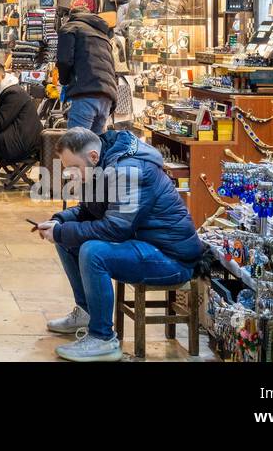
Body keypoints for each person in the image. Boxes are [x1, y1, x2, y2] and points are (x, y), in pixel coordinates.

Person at [35, 128, 206, 362]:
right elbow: (89, 212)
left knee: (92, 251)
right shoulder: (101, 168)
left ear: (93, 156)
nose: (68, 173)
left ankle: (103, 338)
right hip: (143, 243)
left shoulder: (130, 170)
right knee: (66, 240)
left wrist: (63, 231)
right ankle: (87, 313)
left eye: (73, 167)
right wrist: (59, 221)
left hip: (170, 257)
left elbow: (116, 227)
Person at [56, 4, 118, 135]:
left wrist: (64, 81)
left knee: (76, 147)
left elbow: (64, 60)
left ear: (71, 16)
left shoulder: (70, 28)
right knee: (95, 147)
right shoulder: (103, 34)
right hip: (107, 96)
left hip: (86, 92)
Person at [0, 62, 42, 165]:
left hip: (20, 144)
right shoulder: (7, 91)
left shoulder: (12, 93)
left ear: (2, 76)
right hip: (18, 139)